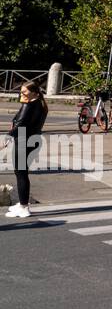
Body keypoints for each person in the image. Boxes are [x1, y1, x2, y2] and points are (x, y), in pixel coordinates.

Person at [5, 82, 48, 219]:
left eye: (24, 92)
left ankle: (24, 207)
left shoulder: (29, 105)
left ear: (34, 92)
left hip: (24, 141)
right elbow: (19, 120)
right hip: (32, 140)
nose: (21, 94)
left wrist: (7, 137)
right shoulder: (39, 104)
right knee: (21, 173)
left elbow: (20, 124)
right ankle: (23, 203)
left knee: (21, 173)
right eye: (21, 91)